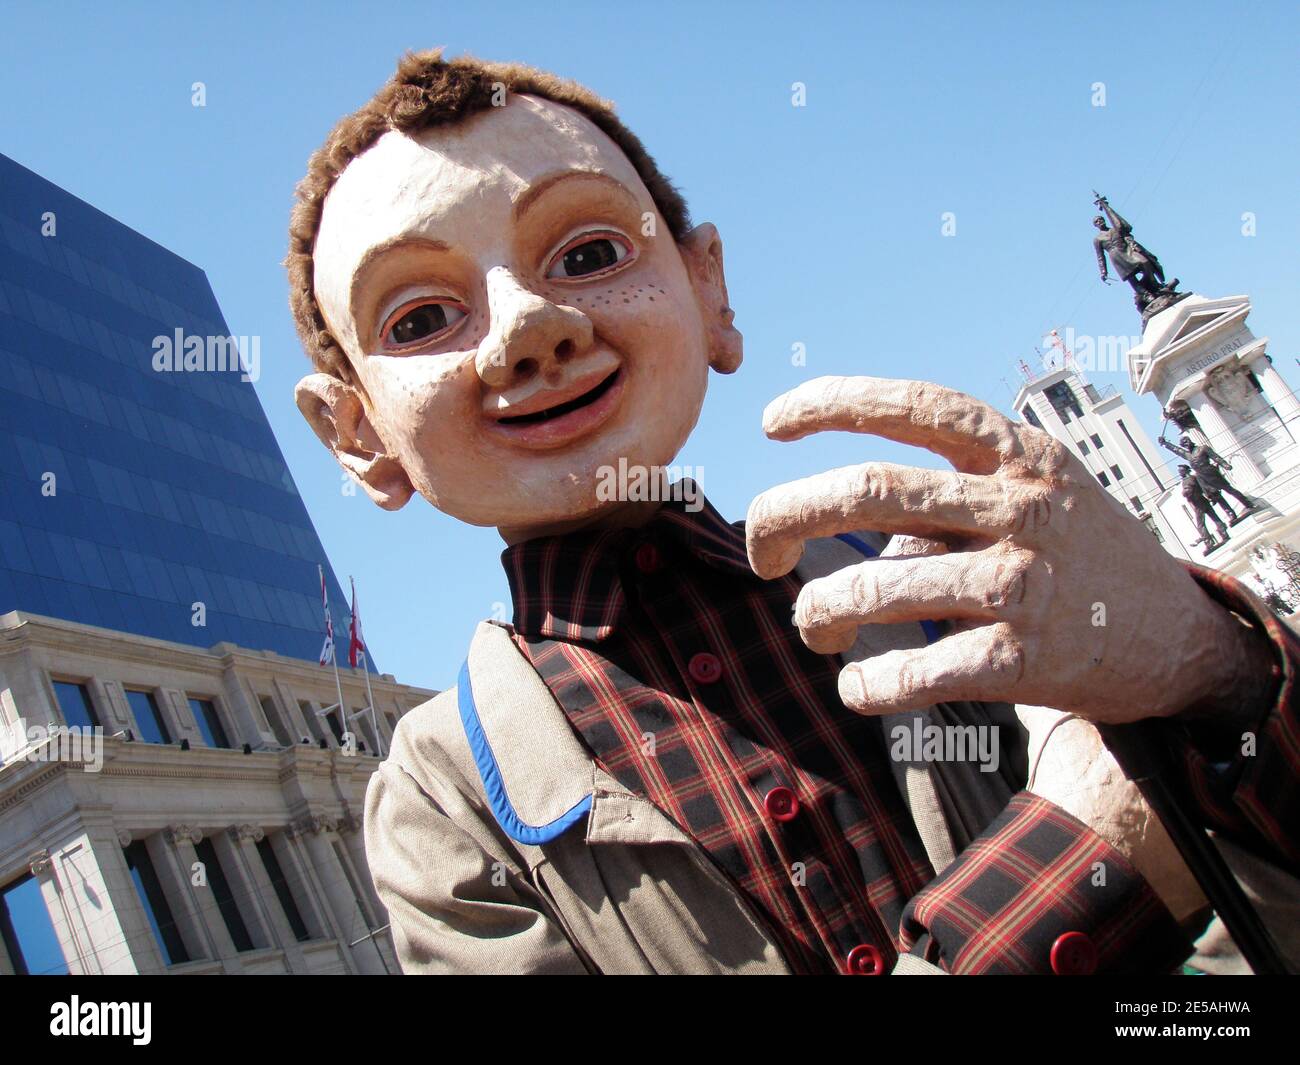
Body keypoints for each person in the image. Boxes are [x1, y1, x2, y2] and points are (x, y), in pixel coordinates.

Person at [287, 50, 1299, 974]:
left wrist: (1214, 670)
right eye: (420, 316)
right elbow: (1133, 855)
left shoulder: (937, 583)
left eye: (588, 254)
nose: (528, 330)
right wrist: (1085, 862)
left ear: (707, 287)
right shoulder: (443, 802)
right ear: (359, 437)